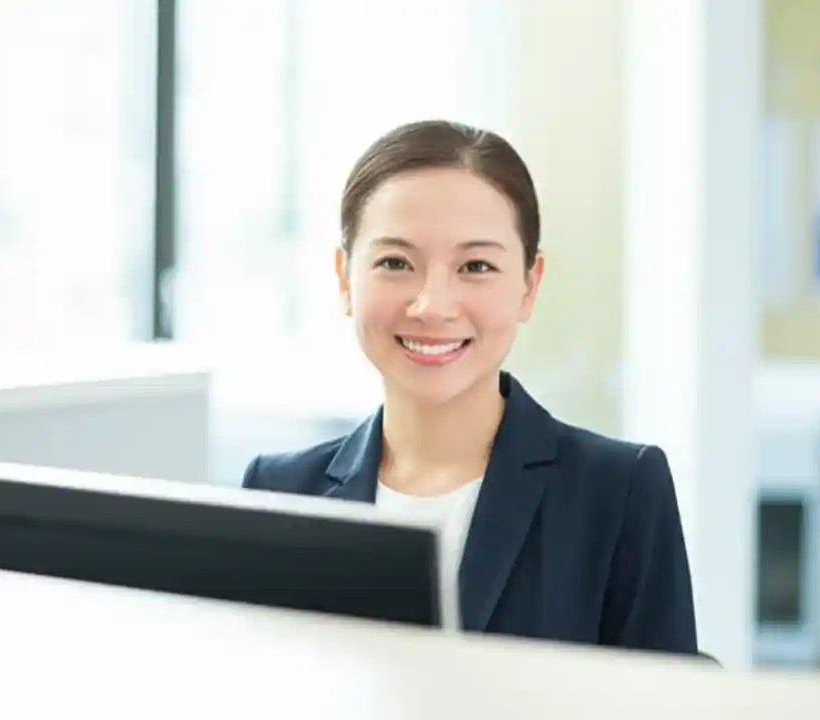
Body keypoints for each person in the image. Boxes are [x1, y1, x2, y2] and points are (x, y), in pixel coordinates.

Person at [241, 119, 697, 655]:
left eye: (476, 266)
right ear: (345, 279)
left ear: (529, 285)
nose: (432, 305)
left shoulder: (618, 493)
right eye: (395, 262)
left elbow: (661, 697)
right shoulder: (279, 491)